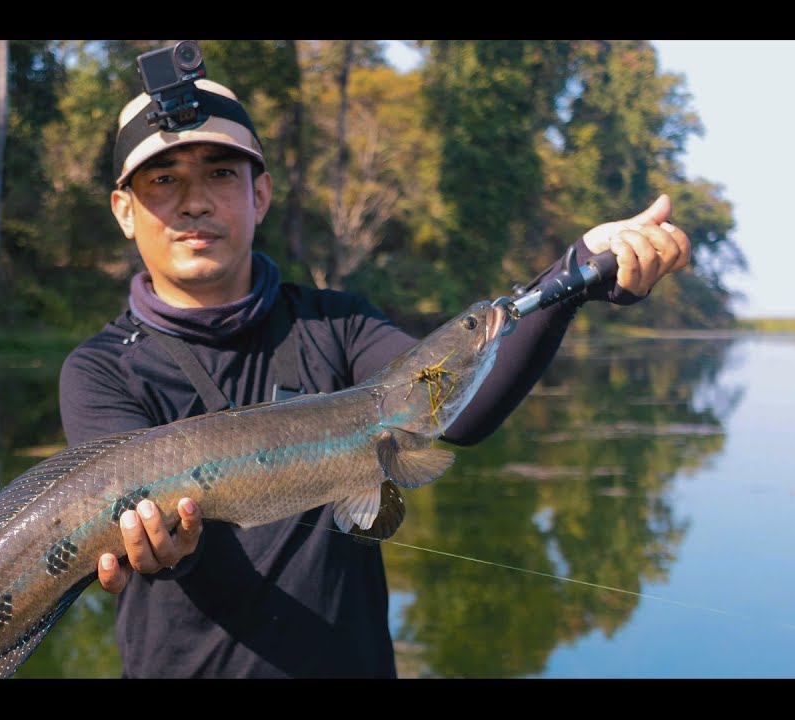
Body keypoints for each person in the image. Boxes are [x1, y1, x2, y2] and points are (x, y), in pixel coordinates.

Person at [57, 77, 691, 678]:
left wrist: (573, 276)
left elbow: (456, 412)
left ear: (261, 194)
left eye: (221, 173)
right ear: (124, 209)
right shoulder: (100, 370)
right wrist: (148, 541)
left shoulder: (339, 323)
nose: (193, 200)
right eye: (163, 180)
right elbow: (129, 538)